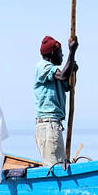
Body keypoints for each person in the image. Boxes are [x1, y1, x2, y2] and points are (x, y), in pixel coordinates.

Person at [34, 34, 79, 166]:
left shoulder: (54, 73)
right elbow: (64, 76)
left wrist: (74, 71)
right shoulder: (43, 67)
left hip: (53, 125)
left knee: (59, 165)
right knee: (56, 168)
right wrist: (72, 53)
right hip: (48, 126)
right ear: (53, 53)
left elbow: (69, 85)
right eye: (61, 53)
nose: (63, 56)